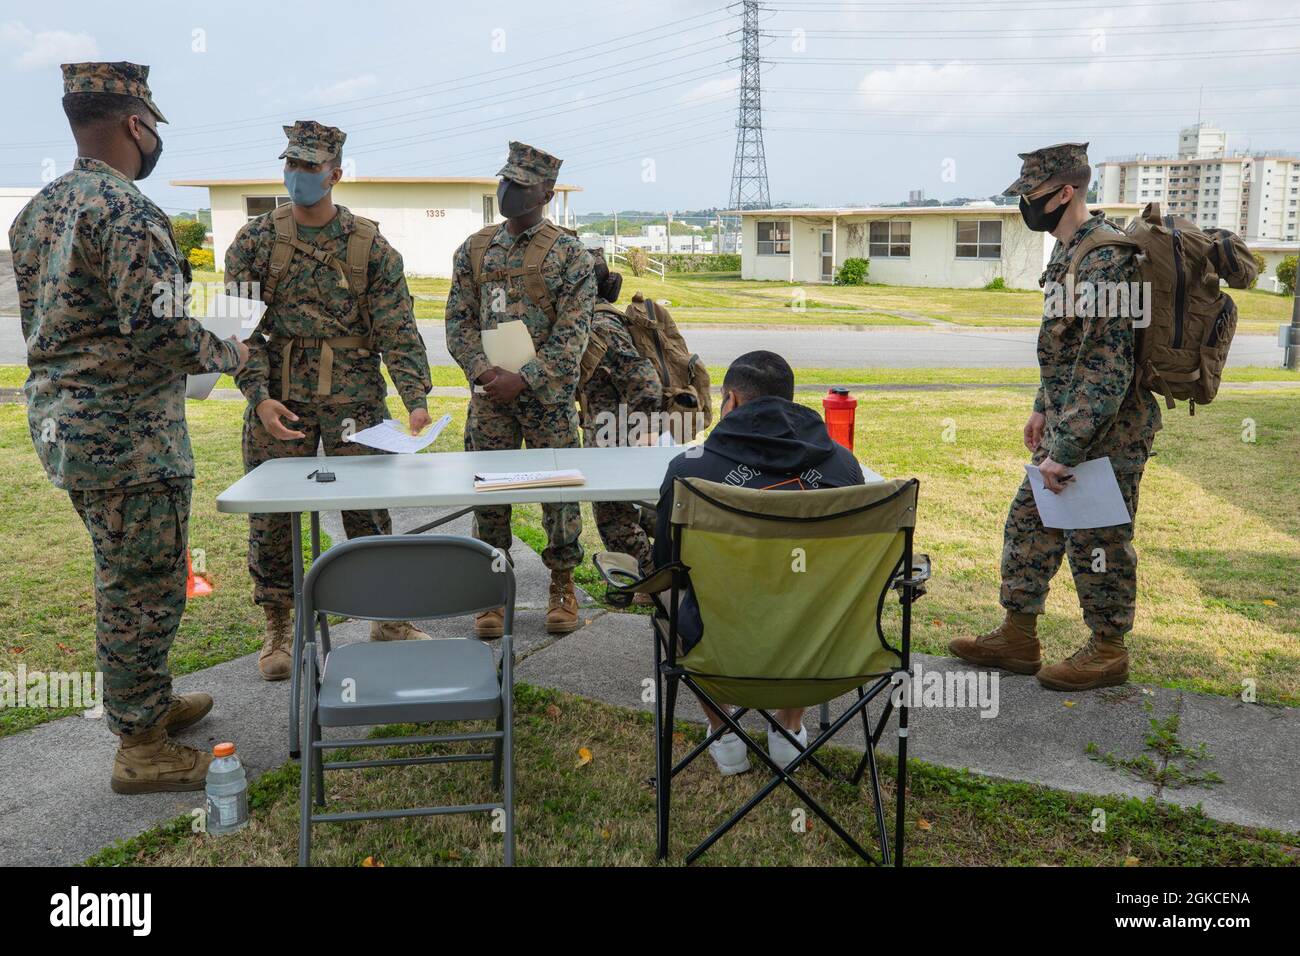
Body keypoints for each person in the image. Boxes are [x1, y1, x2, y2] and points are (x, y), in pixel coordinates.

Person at [9, 62, 249, 793]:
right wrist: (230, 351)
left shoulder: (38, 210)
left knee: (128, 575)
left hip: (68, 430)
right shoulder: (127, 211)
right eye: (151, 128)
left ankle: (149, 701)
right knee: (142, 587)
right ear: (135, 124)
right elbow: (160, 331)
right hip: (128, 440)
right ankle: (140, 743)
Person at [949, 142, 1161, 691]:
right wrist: (1042, 409)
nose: (1027, 206)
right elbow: (1065, 349)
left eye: (1034, 195)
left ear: (1066, 192)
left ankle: (1108, 650)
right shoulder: (1069, 254)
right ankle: (1018, 636)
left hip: (1109, 433)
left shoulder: (1106, 259)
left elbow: (1106, 371)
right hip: (1071, 422)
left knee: (1097, 541)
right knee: (1029, 521)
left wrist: (1063, 452)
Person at [227, 120, 434, 681]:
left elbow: (398, 330)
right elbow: (240, 334)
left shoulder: (370, 245)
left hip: (355, 402)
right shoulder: (254, 242)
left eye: (309, 167)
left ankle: (387, 617)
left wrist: (415, 398)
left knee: (367, 511)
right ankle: (278, 627)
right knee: (273, 518)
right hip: (281, 401)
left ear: (335, 174)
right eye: (290, 164)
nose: (297, 176)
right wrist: (260, 399)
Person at [653, 351, 864, 776]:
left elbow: (664, 567)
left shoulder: (690, 472)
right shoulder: (844, 467)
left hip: (722, 649)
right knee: (811, 595)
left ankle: (724, 735)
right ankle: (789, 729)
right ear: (789, 402)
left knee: (664, 588)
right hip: (820, 648)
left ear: (731, 401)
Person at [444, 141, 594, 638]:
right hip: (490, 398)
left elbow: (573, 333)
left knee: (558, 496)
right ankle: (490, 593)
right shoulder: (474, 248)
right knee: (488, 494)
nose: (507, 191)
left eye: (521, 186)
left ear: (546, 193)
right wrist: (484, 372)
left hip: (547, 400)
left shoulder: (571, 254)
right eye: (504, 181)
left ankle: (562, 585)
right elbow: (457, 322)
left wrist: (524, 378)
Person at [578, 253, 662, 580]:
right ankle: (680, 531)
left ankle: (651, 582)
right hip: (605, 430)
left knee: (614, 518)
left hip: (616, 434)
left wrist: (646, 430)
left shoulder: (600, 325)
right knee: (625, 510)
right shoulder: (590, 319)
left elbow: (645, 380)